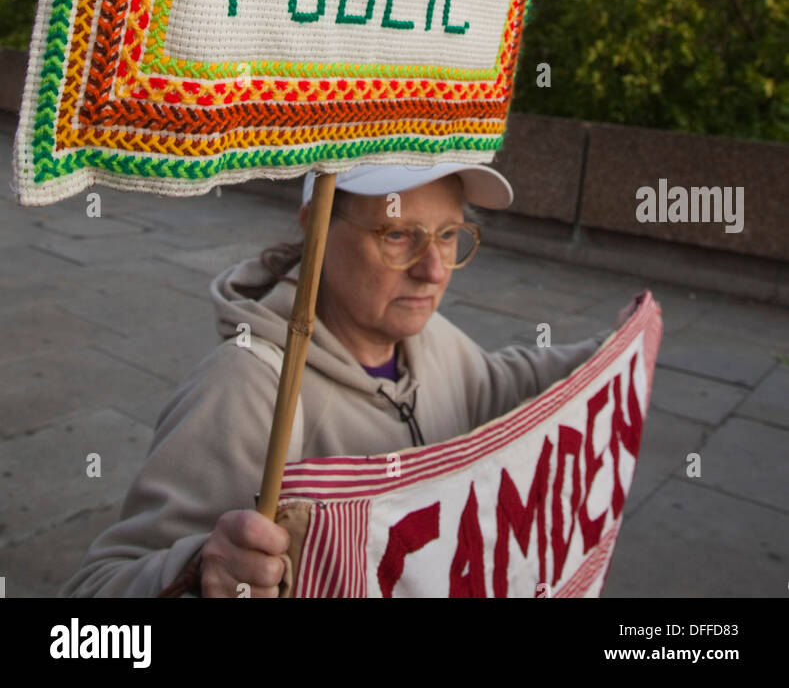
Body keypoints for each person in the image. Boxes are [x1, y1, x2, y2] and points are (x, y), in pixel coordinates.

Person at [60, 161, 634, 599]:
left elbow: (495, 385)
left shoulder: (428, 340)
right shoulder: (244, 388)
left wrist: (617, 351)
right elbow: (92, 600)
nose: (433, 271)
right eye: (397, 235)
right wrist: (198, 569)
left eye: (449, 235)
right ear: (316, 228)